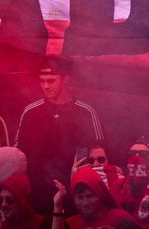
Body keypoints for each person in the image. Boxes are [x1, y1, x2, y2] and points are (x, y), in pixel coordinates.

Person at [15, 58, 104, 214]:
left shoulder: (86, 112)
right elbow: (17, 155)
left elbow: (99, 155)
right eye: (42, 81)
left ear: (66, 79)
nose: (46, 86)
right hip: (37, 194)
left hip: (75, 194)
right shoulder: (31, 112)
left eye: (51, 81)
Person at [52, 167, 132, 229]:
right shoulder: (72, 223)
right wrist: (57, 206)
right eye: (80, 198)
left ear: (100, 194)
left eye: (90, 196)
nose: (85, 203)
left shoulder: (120, 219)